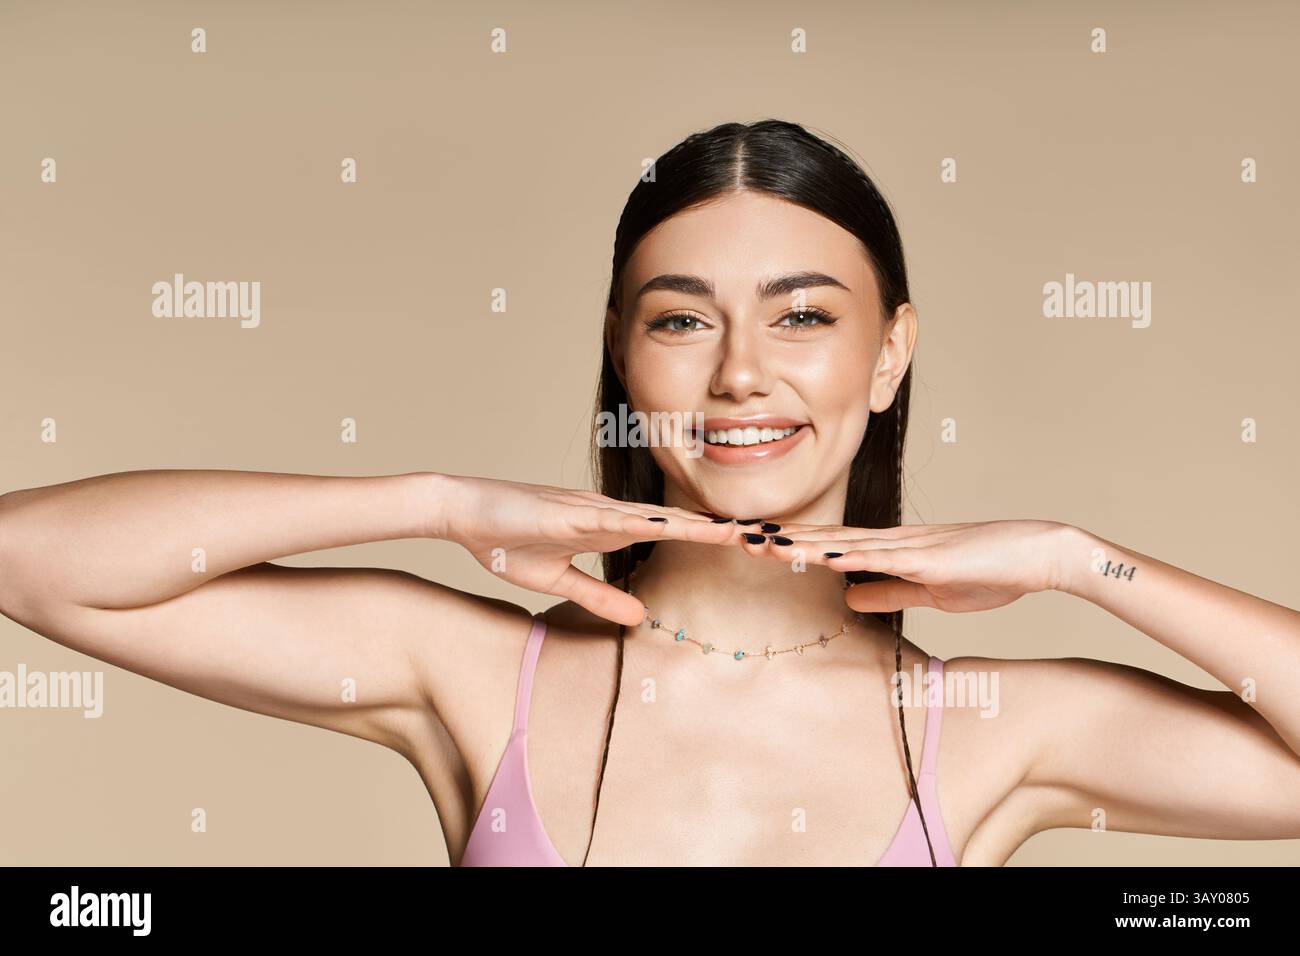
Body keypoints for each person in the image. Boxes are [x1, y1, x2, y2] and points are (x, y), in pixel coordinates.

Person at [2, 120, 1297, 867]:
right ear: (622, 348)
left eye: (802, 317)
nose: (741, 374)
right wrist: (437, 499)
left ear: (891, 352)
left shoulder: (1000, 729)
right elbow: (31, 560)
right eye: (682, 322)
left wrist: (1078, 559)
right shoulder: (467, 673)